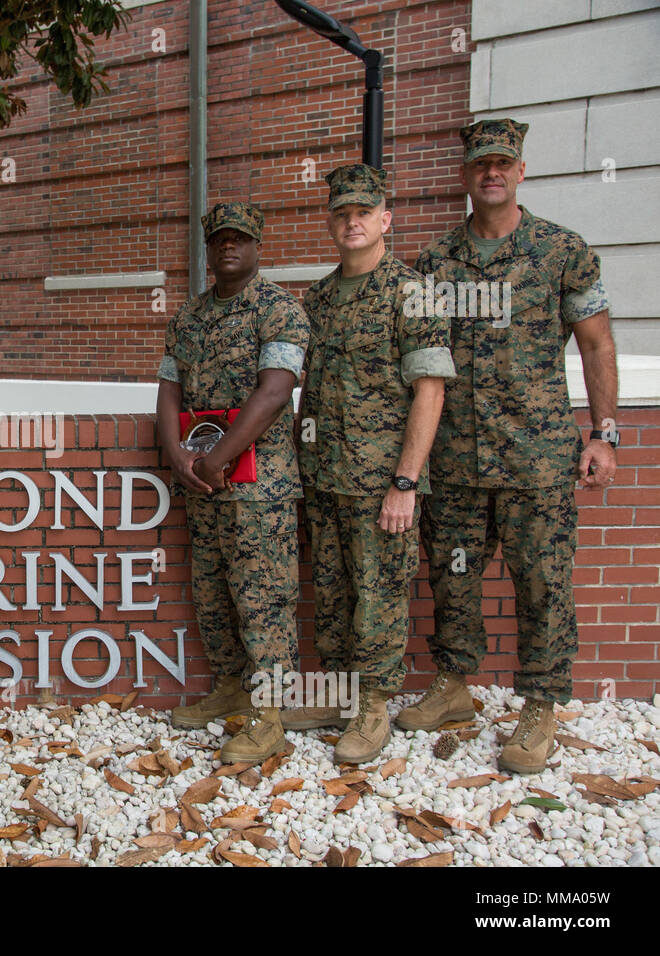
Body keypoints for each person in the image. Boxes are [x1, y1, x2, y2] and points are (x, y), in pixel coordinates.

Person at [401, 119, 619, 774]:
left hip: (538, 457)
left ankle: (542, 704)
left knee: (542, 583)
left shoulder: (562, 251)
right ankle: (455, 687)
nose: (490, 173)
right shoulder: (435, 263)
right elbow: (420, 361)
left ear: (520, 172)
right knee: (453, 576)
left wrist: (603, 433)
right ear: (466, 177)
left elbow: (598, 343)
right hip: (457, 460)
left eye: (502, 163)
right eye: (479, 164)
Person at [291, 164, 455, 763]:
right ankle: (338, 694)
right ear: (330, 223)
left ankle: (374, 707)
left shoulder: (412, 292)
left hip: (382, 481)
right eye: (341, 212)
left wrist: (406, 483)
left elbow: (430, 391)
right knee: (332, 593)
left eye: (363, 211)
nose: (351, 221)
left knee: (379, 593)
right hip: (326, 478)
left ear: (385, 219)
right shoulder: (319, 297)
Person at [157, 201, 309, 764]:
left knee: (264, 599)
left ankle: (270, 717)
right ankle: (228, 687)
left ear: (256, 245)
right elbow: (169, 386)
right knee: (214, 593)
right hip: (204, 483)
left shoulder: (279, 310)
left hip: (258, 487)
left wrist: (218, 457)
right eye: (219, 238)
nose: (228, 247)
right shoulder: (188, 318)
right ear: (208, 247)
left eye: (239, 238)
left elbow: (274, 391)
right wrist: (176, 453)